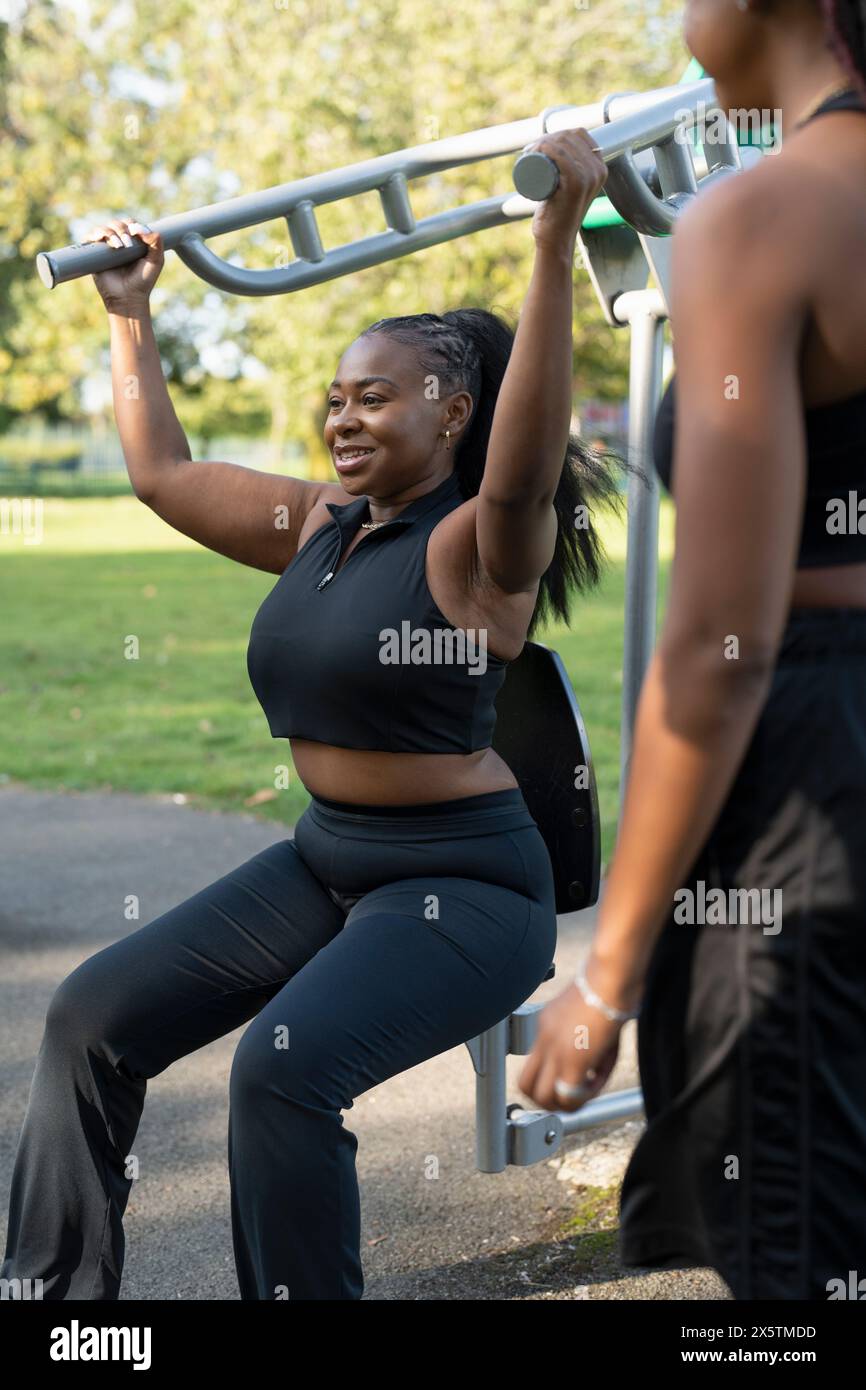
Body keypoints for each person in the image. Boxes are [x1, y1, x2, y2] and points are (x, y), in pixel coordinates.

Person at [0, 130, 623, 1299]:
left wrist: (550, 245)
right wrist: (131, 317)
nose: (340, 417)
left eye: (373, 398)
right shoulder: (319, 523)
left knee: (279, 1071)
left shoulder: (480, 550)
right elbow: (161, 477)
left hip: (467, 889)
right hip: (328, 857)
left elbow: (527, 469)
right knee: (89, 1017)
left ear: (452, 416)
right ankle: (52, 1305)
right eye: (332, 397)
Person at [519, 0, 866, 1300]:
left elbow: (720, 646)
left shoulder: (762, 215)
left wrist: (602, 979)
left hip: (807, 784)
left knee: (797, 1255)